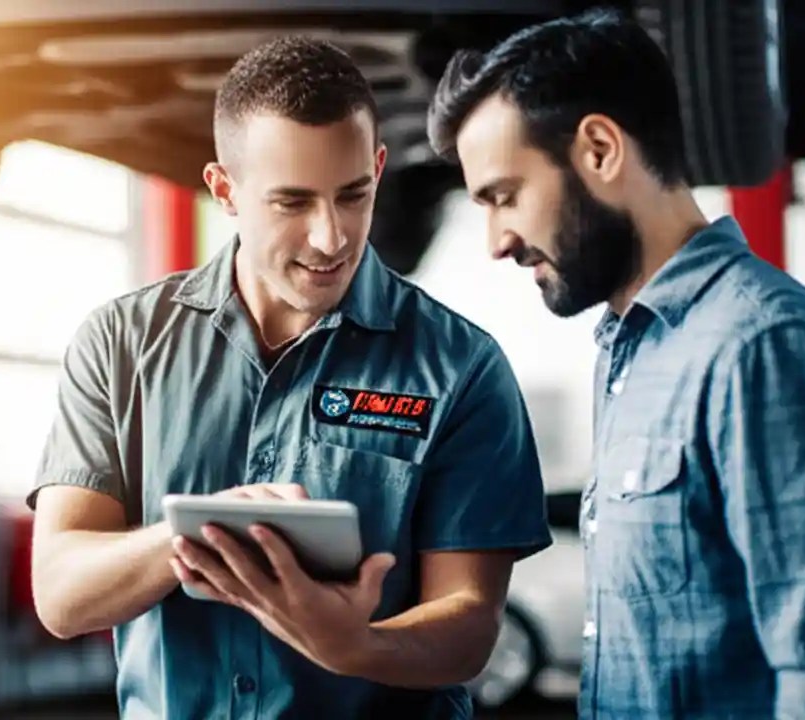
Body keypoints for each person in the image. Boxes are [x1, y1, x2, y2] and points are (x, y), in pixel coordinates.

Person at [426, 8, 805, 719]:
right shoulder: (632, 349)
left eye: (505, 197)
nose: (496, 241)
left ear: (600, 149)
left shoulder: (764, 349)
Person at [29, 36, 552, 719]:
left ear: (379, 168)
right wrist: (199, 534)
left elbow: (470, 624)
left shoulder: (461, 367)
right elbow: (62, 596)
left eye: (353, 195)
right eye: (292, 203)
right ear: (225, 191)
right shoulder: (120, 345)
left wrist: (355, 645)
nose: (331, 237)